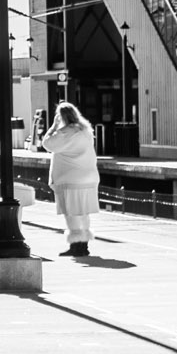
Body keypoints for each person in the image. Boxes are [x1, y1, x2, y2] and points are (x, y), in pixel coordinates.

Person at [44, 101, 100, 257]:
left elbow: (47, 144)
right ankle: (84, 245)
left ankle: (76, 246)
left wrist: (54, 126)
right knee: (83, 212)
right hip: (88, 178)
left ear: (62, 117)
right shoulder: (85, 131)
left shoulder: (64, 132)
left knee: (71, 213)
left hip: (69, 179)